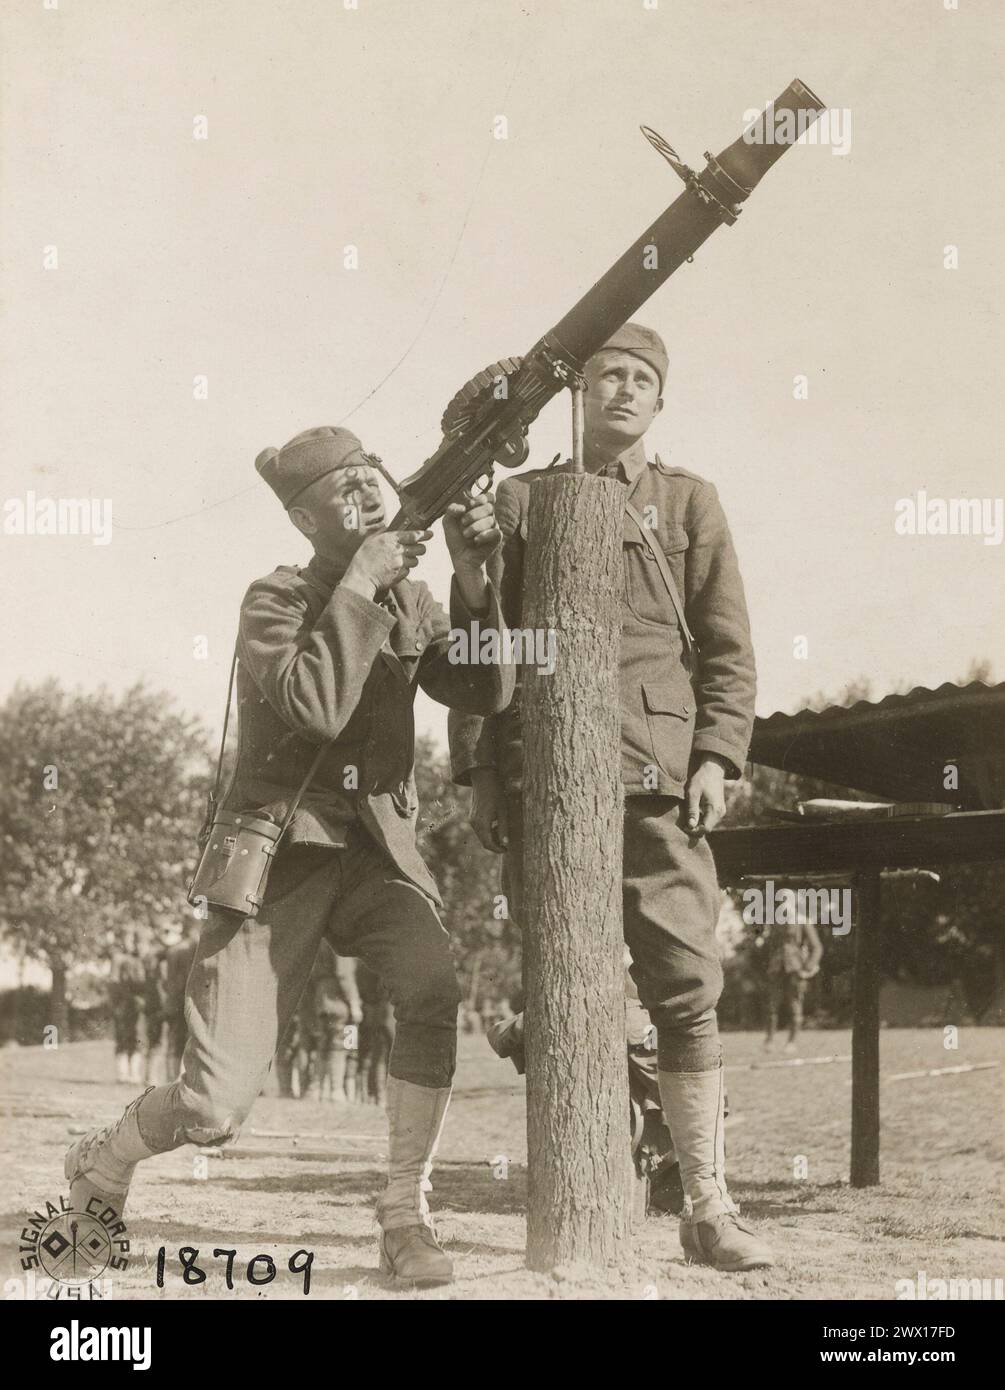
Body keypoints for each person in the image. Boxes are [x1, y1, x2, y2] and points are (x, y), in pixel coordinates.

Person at [66, 425, 512, 1288]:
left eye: (367, 476)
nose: (363, 494)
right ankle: (102, 1157)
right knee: (211, 1107)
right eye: (338, 493)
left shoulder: (409, 598)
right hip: (281, 858)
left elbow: (489, 687)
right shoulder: (275, 599)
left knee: (431, 987)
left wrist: (470, 576)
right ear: (307, 524)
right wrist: (359, 584)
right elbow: (311, 706)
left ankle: (403, 1215)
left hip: (377, 854)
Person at [449, 324, 772, 1271]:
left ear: (659, 401)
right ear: (576, 395)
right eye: (605, 376)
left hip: (659, 781)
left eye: (640, 379)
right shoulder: (519, 499)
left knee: (686, 989)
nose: (622, 390)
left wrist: (715, 757)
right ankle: (586, 1203)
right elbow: (477, 646)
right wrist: (478, 773)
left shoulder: (687, 502)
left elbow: (726, 646)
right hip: (548, 782)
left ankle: (706, 1204)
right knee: (566, 993)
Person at [761, 897, 823, 1052]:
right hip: (777, 968)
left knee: (794, 1005)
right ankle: (769, 1042)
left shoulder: (803, 921)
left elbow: (817, 947)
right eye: (779, 902)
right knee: (771, 1006)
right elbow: (770, 947)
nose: (781, 904)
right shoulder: (774, 922)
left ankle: (792, 1042)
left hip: (796, 969)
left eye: (785, 900)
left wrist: (808, 967)